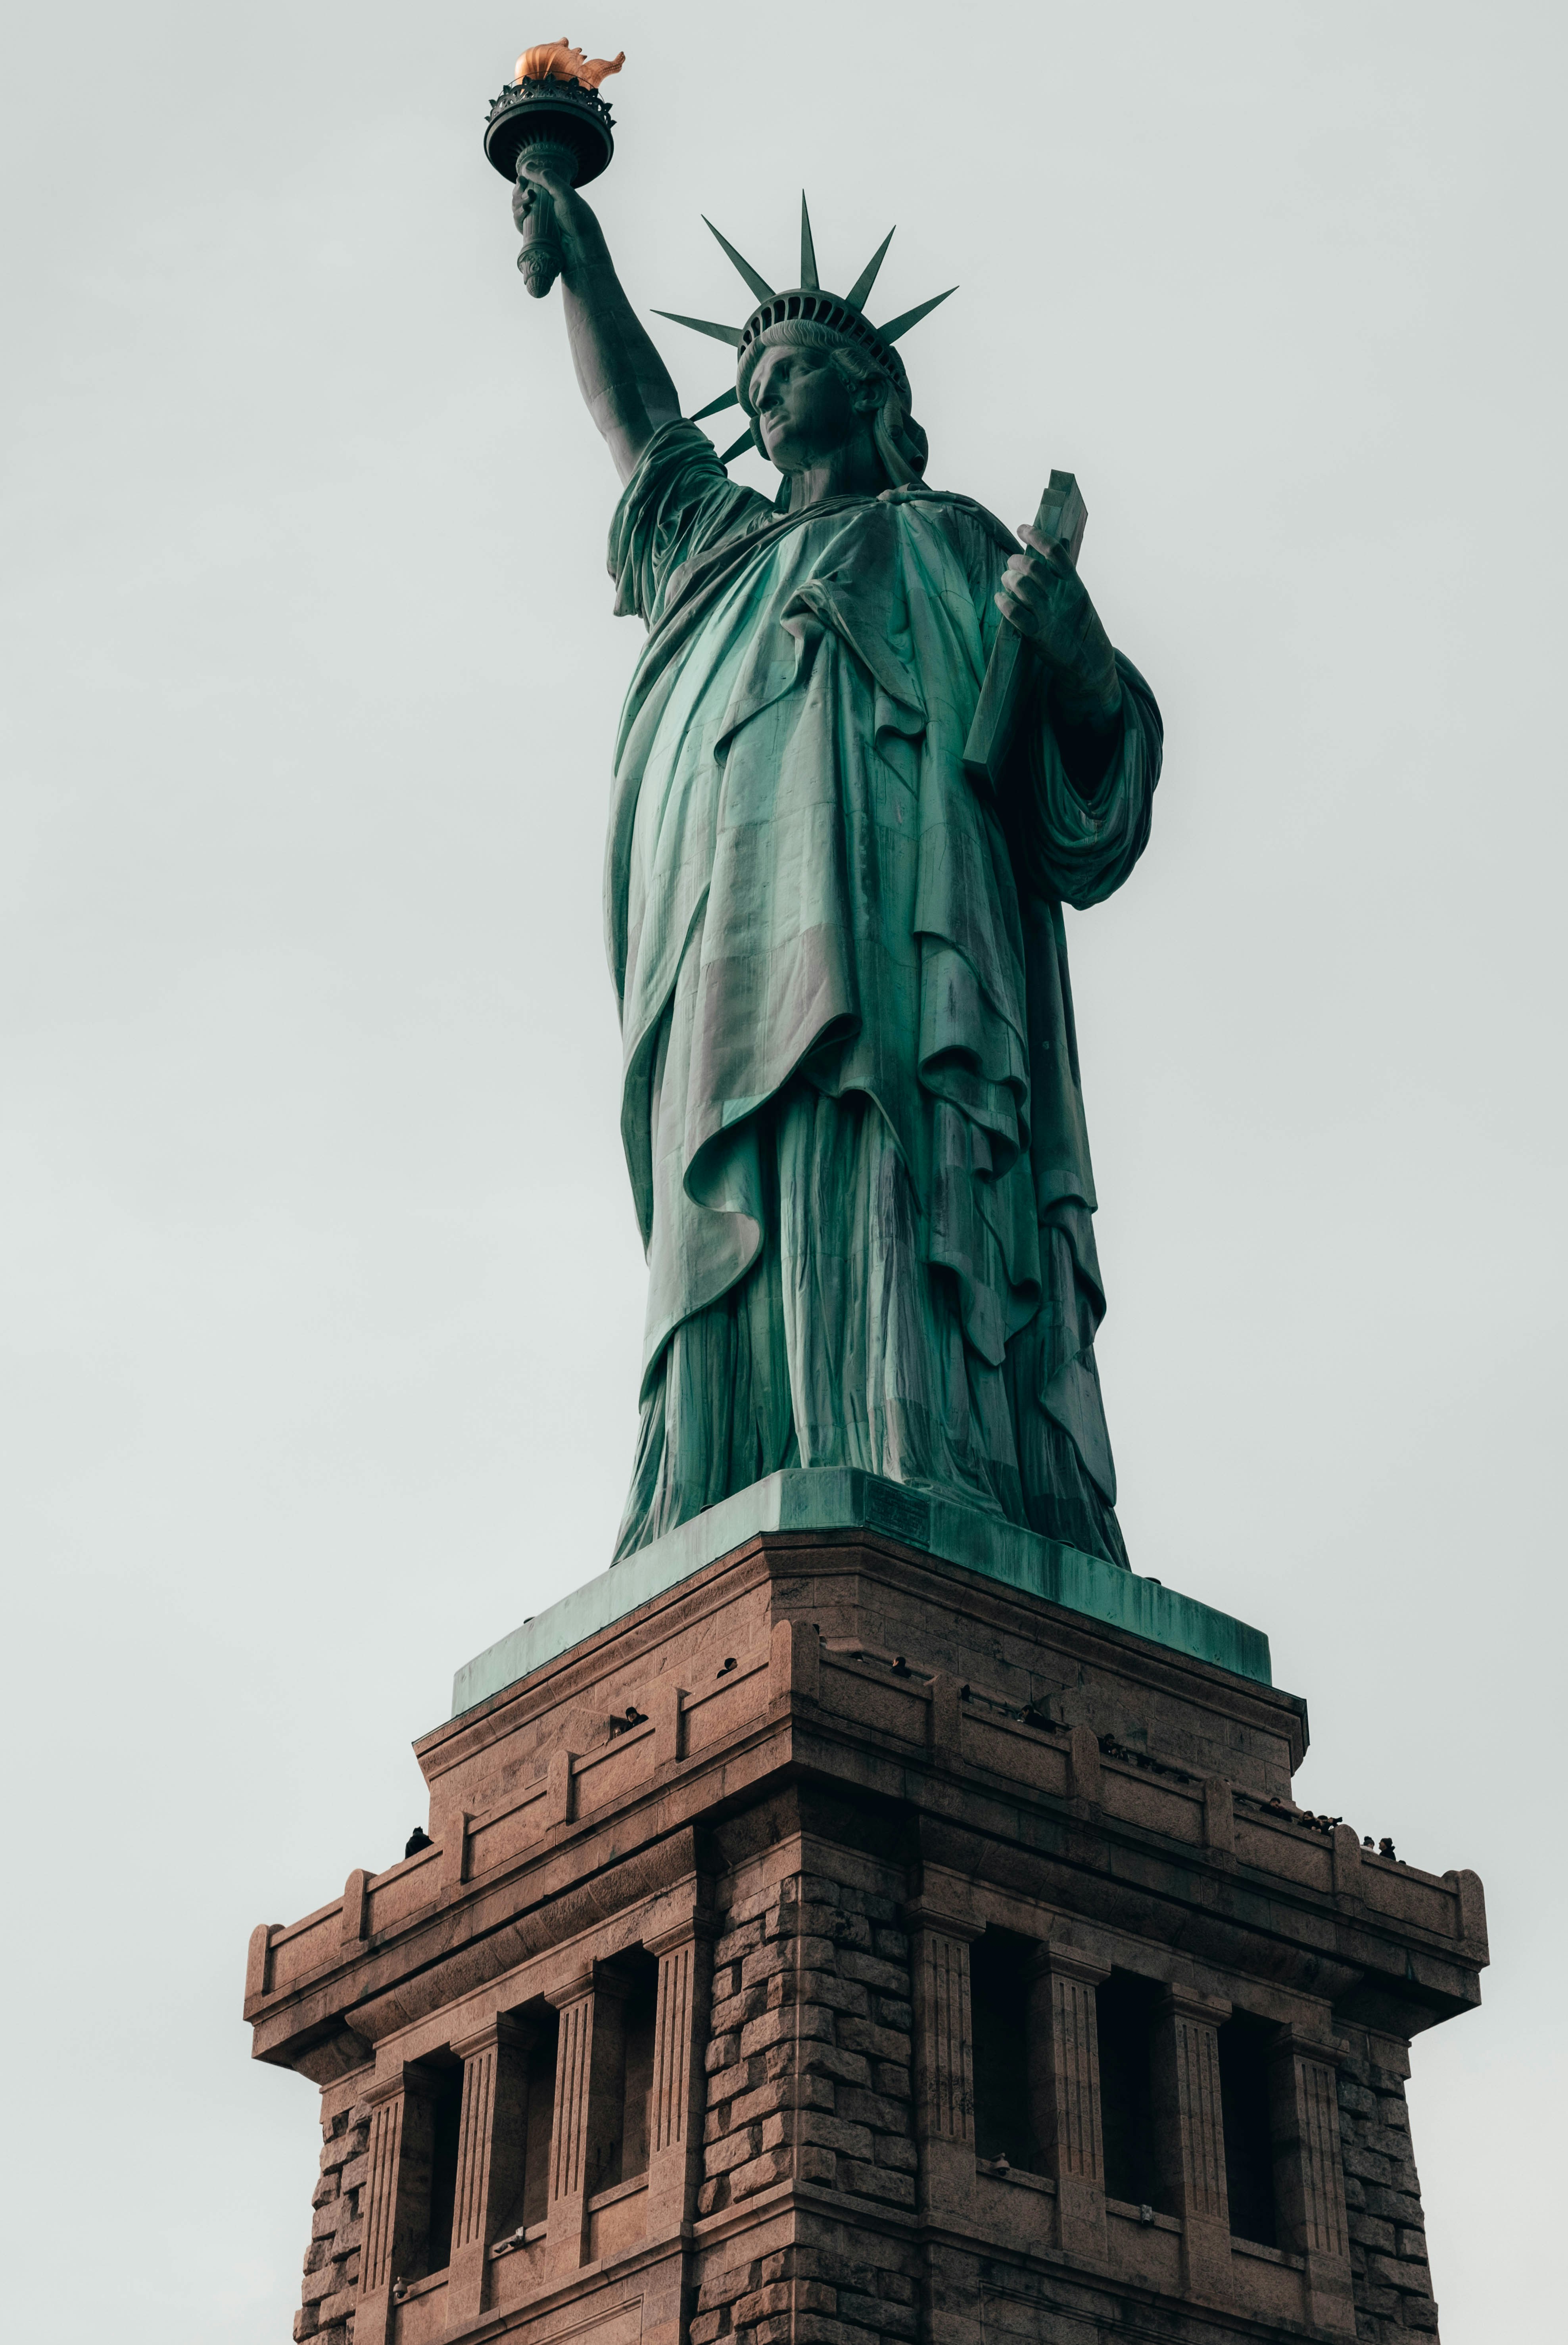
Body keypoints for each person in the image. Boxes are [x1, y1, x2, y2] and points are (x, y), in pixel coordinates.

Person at [510, 167, 1163, 1568]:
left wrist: (1079, 651)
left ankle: (917, 1441)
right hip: (734, 945)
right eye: (752, 375)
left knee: (895, 1165)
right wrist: (584, 264)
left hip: (917, 931)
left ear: (869, 389)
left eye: (792, 366)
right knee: (753, 1176)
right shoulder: (716, 553)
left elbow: (1088, 789)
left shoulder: (958, 544)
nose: (762, 393)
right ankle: (724, 1466)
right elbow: (642, 429)